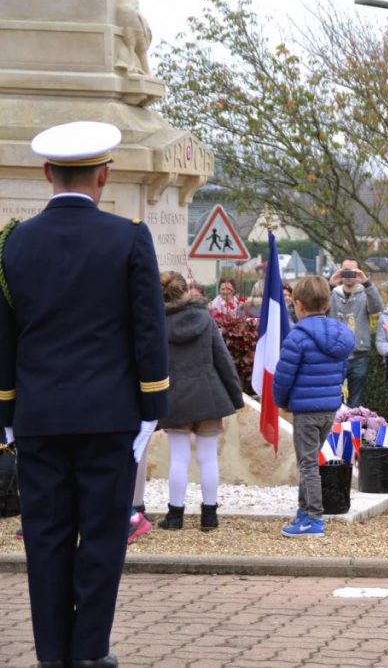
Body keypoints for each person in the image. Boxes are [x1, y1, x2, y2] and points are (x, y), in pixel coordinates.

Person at [0, 121, 169, 668]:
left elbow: (5, 334)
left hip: (38, 415)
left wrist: (5, 410)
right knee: (101, 535)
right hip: (110, 414)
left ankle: (53, 654)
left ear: (47, 174)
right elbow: (148, 331)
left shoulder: (12, 242)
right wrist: (152, 409)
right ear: (103, 174)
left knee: (46, 536)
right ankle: (90, 651)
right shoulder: (129, 236)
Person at [157, 271, 245, 531]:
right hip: (208, 394)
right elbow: (223, 359)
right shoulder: (205, 319)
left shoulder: (157, 323)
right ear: (185, 291)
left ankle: (175, 516)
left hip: (174, 397)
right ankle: (209, 516)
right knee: (208, 458)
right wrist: (235, 396)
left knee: (179, 458)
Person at [273, 276, 356, 537]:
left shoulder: (297, 336)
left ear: (298, 304)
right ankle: (304, 510)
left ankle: (314, 518)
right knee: (311, 460)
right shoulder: (341, 335)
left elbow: (284, 376)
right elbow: (343, 370)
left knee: (307, 464)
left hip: (305, 410)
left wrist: (282, 402)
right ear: (328, 303)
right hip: (329, 408)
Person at [329, 258, 383, 408]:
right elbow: (319, 308)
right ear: (339, 271)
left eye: (352, 271)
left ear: (359, 272)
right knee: (332, 397)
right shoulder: (333, 293)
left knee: (355, 401)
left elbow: (377, 307)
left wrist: (366, 283)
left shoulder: (365, 292)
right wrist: (329, 285)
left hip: (359, 355)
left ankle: (351, 430)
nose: (348, 275)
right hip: (335, 354)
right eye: (345, 270)